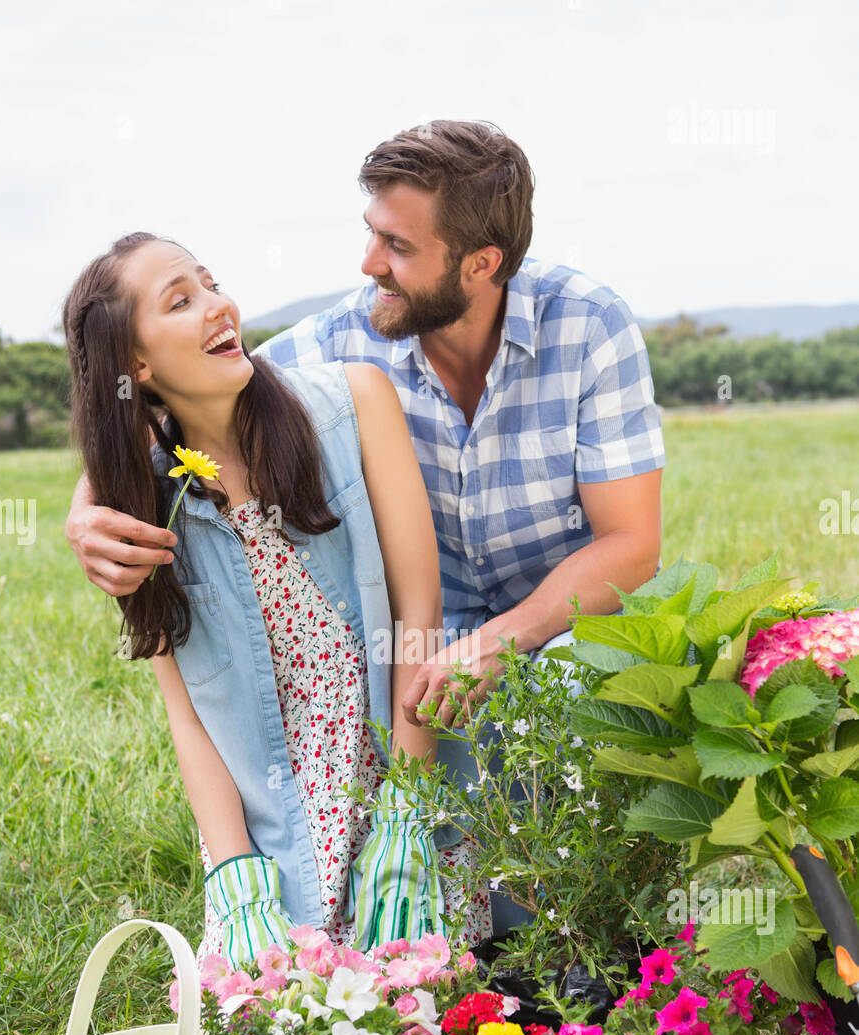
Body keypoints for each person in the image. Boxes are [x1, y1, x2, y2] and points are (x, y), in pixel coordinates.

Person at [64, 119, 665, 933]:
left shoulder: (587, 325)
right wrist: (89, 503)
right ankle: (476, 902)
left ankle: (563, 916)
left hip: (550, 627)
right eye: (370, 234)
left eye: (397, 245)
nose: (369, 263)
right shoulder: (342, 340)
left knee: (554, 691)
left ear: (480, 264)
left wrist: (504, 640)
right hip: (415, 656)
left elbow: (631, 543)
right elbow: (195, 397)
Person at [60, 231, 493, 969]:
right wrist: (235, 874)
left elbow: (418, 616)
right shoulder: (142, 512)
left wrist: (407, 811)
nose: (217, 306)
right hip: (274, 825)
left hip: (394, 775)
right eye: (180, 300)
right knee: (276, 1030)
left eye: (210, 283)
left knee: (421, 1008)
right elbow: (187, 712)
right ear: (136, 363)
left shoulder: (354, 402)